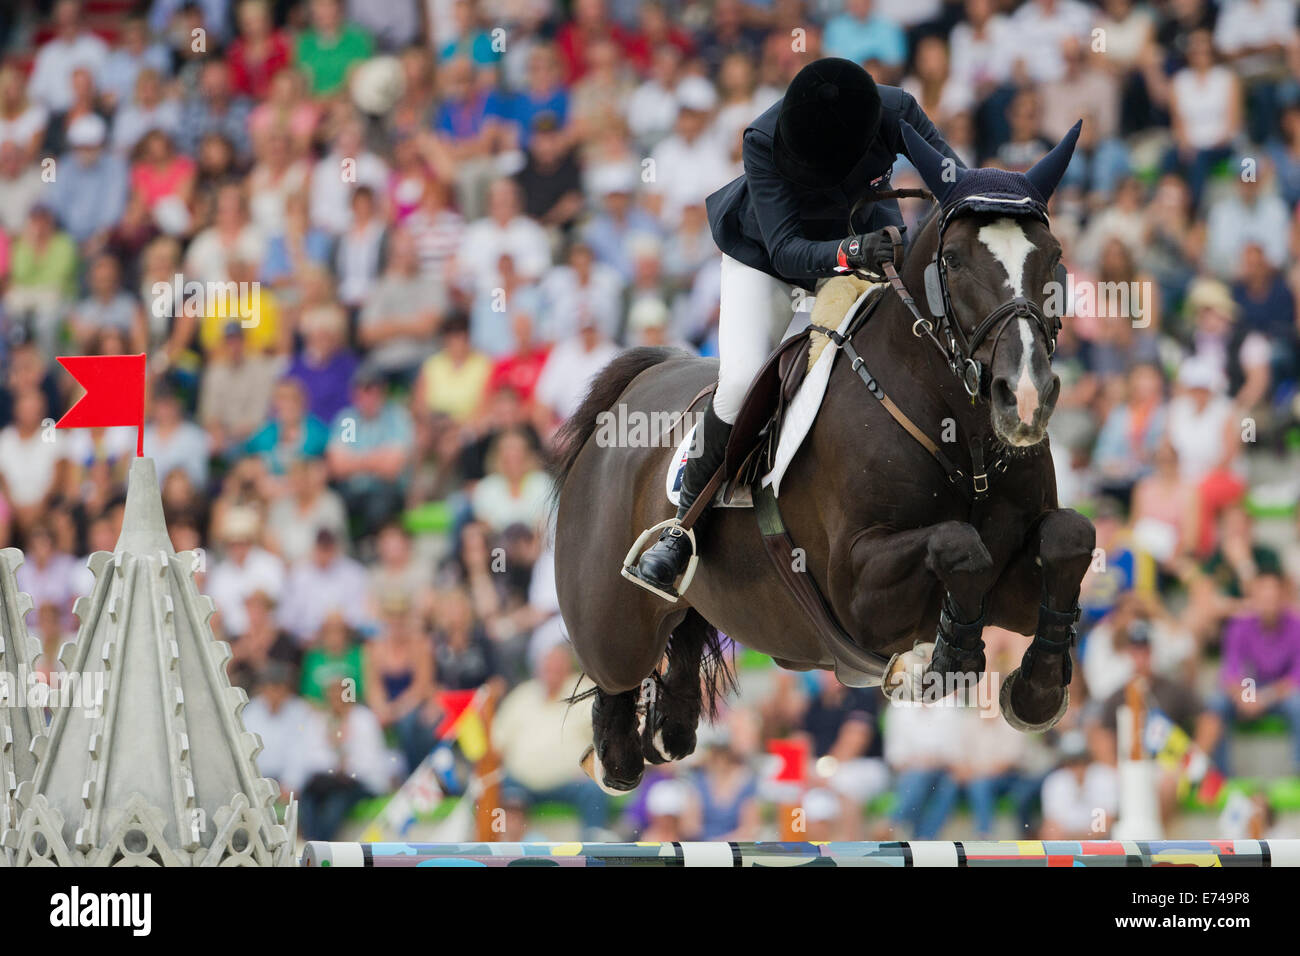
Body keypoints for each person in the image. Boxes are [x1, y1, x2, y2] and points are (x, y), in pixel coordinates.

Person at [628, 57, 963, 599]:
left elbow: (952, 180)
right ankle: (680, 526)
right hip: (767, 263)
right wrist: (851, 250)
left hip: (866, 247)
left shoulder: (896, 110)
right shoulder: (763, 137)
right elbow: (786, 249)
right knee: (739, 382)